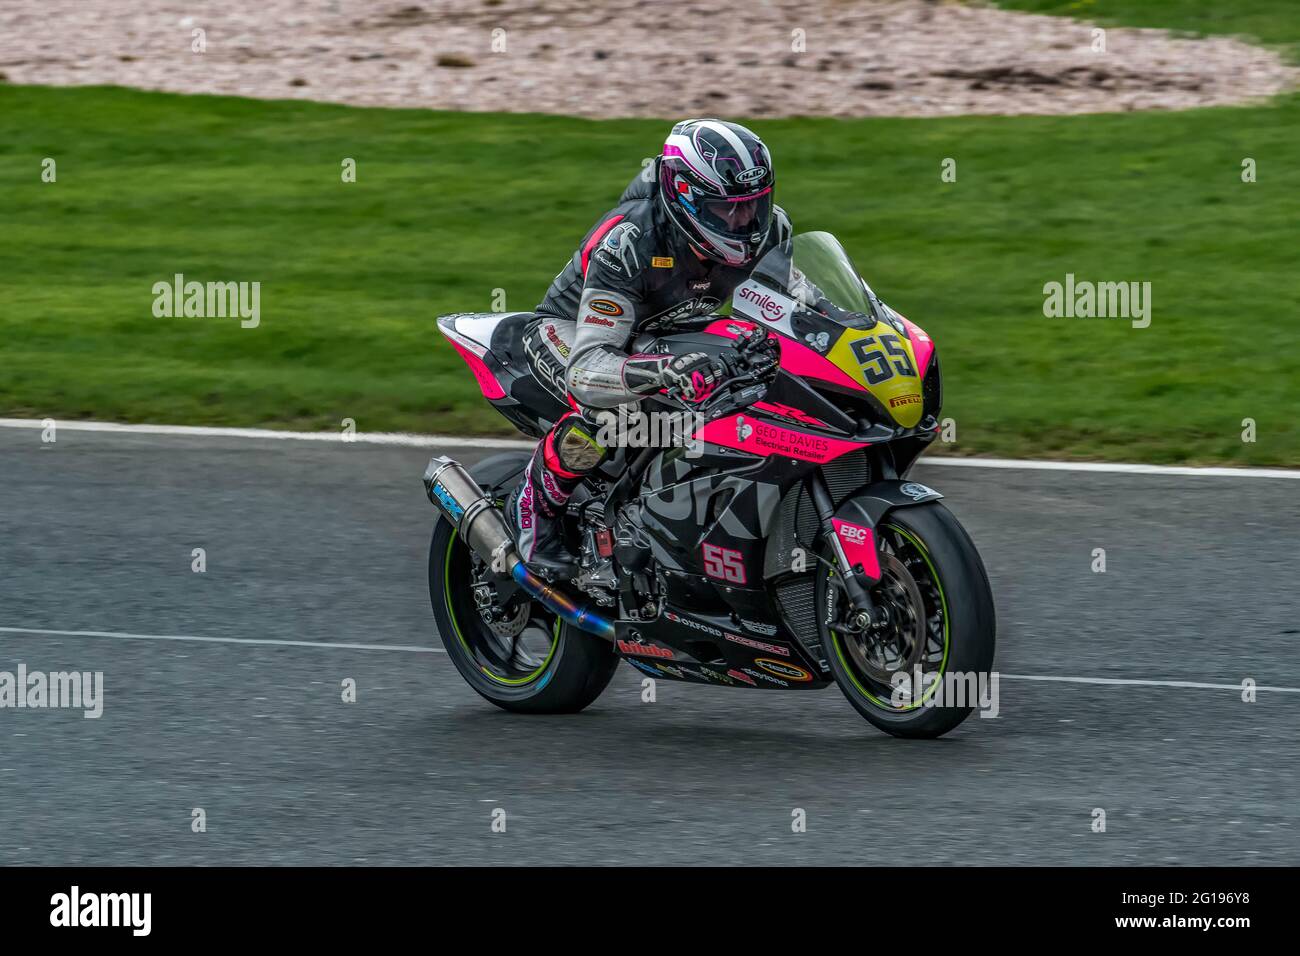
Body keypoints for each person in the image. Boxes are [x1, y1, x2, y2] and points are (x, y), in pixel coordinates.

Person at [509, 119, 792, 576]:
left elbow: (797, 309)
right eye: (727, 210)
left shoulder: (771, 232)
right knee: (612, 414)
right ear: (685, 194)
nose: (744, 222)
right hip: (576, 335)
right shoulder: (631, 238)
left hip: (668, 332)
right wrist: (662, 371)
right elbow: (588, 369)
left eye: (753, 206)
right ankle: (535, 508)